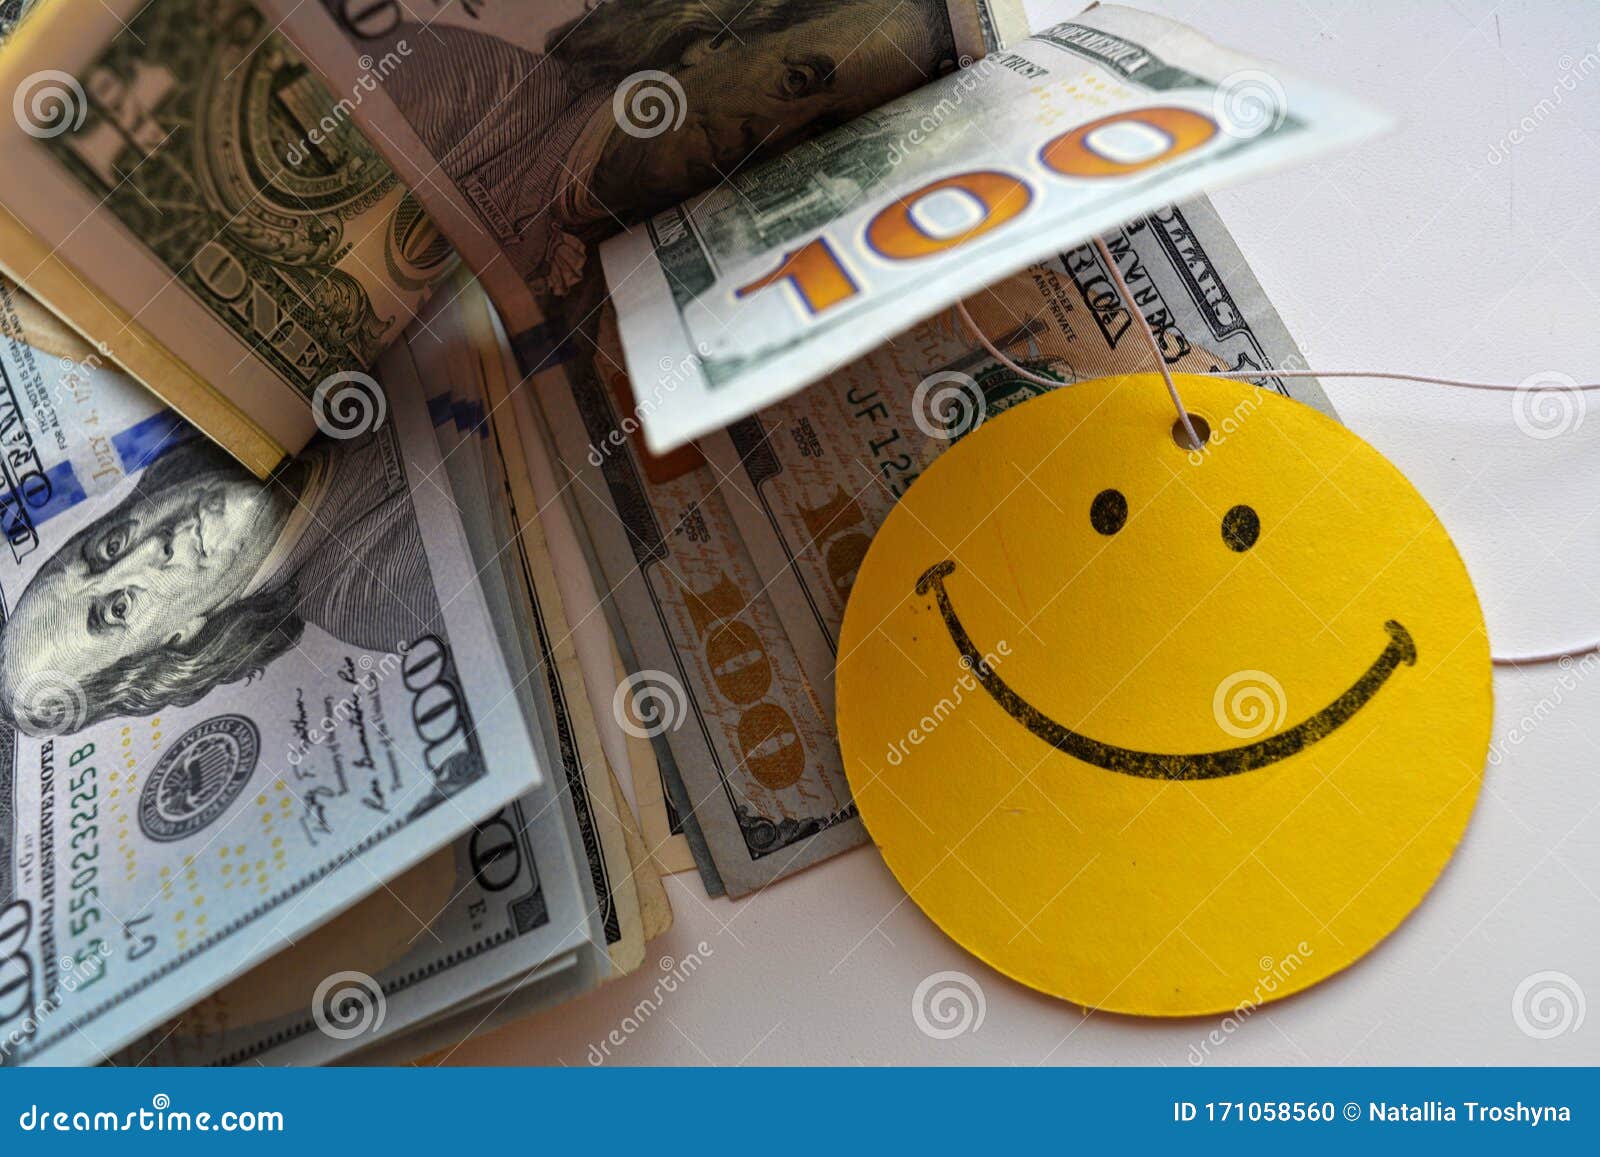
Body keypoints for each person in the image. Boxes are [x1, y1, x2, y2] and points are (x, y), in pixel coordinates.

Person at [0, 430, 439, 736]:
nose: (152, 549)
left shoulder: (259, 414)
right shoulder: (377, 592)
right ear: (176, 641)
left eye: (109, 547)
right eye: (119, 609)